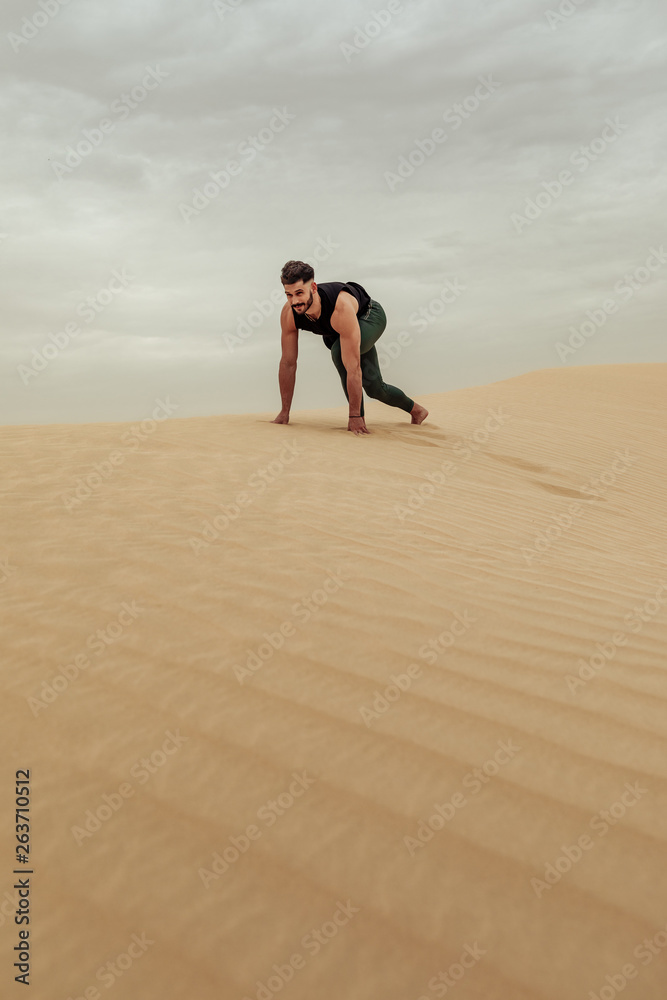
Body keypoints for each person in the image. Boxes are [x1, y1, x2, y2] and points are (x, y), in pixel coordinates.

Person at [272, 260, 428, 435]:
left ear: (313, 288)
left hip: (370, 316)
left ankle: (358, 420)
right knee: (375, 388)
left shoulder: (340, 306)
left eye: (299, 293)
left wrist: (355, 416)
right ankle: (417, 411)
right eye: (289, 295)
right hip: (338, 332)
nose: (294, 301)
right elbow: (288, 363)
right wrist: (284, 413)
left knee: (339, 353)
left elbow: (353, 367)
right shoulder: (289, 314)